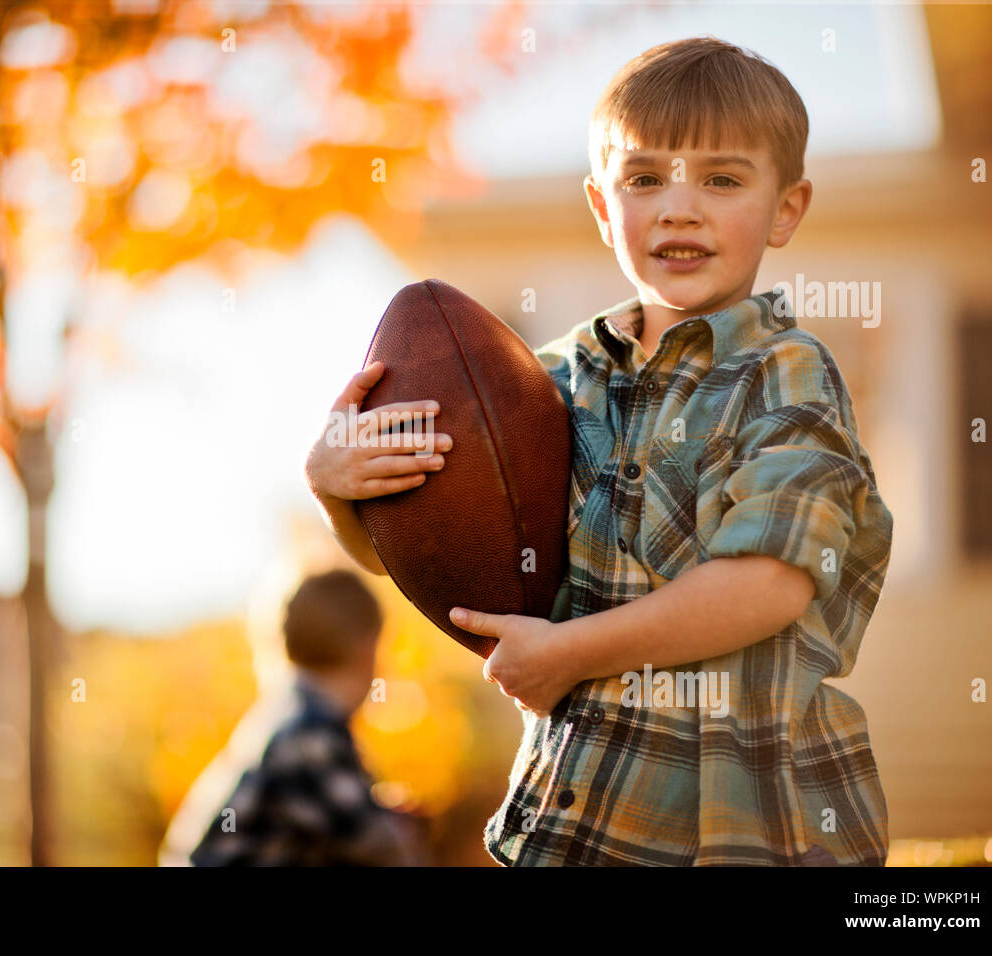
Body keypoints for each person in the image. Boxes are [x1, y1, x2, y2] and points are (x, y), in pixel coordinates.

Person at [303, 37, 892, 866]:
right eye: (645, 179)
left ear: (786, 209)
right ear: (600, 204)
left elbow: (768, 583)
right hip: (575, 825)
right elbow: (422, 553)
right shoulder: (541, 387)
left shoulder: (785, 375)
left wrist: (568, 653)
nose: (679, 208)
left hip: (746, 827)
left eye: (722, 179)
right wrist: (339, 491)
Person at [160, 567, 427, 866]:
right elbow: (383, 851)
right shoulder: (313, 733)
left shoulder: (286, 717)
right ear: (367, 648)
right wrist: (401, 828)